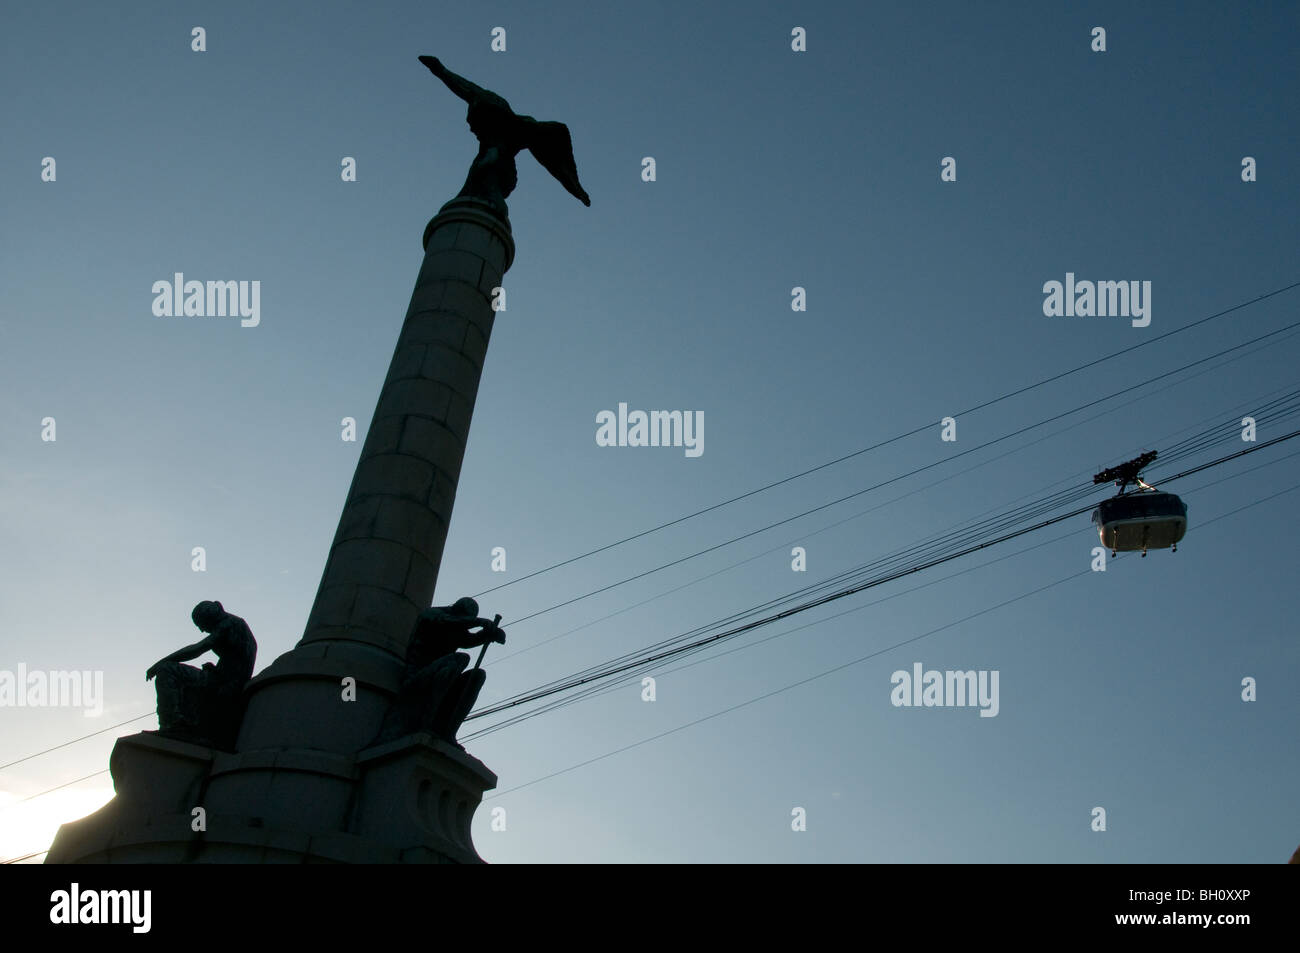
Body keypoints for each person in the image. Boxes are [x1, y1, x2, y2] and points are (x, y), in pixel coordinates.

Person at [383, 597, 505, 748]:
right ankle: (424, 723)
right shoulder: (432, 615)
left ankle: (448, 731)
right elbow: (447, 622)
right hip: (415, 679)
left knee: (477, 675)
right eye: (464, 618)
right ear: (456, 610)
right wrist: (480, 622)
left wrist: (490, 634)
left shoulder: (457, 629)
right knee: (460, 659)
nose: (465, 622)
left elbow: (470, 639)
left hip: (439, 681)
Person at [146, 600, 256, 743]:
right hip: (223, 679)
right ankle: (180, 723)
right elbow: (234, 661)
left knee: (167, 669)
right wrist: (215, 670)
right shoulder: (236, 625)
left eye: (202, 625)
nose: (202, 631)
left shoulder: (229, 624)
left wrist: (159, 664)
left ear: (211, 618)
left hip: (225, 684)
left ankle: (172, 724)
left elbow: (198, 649)